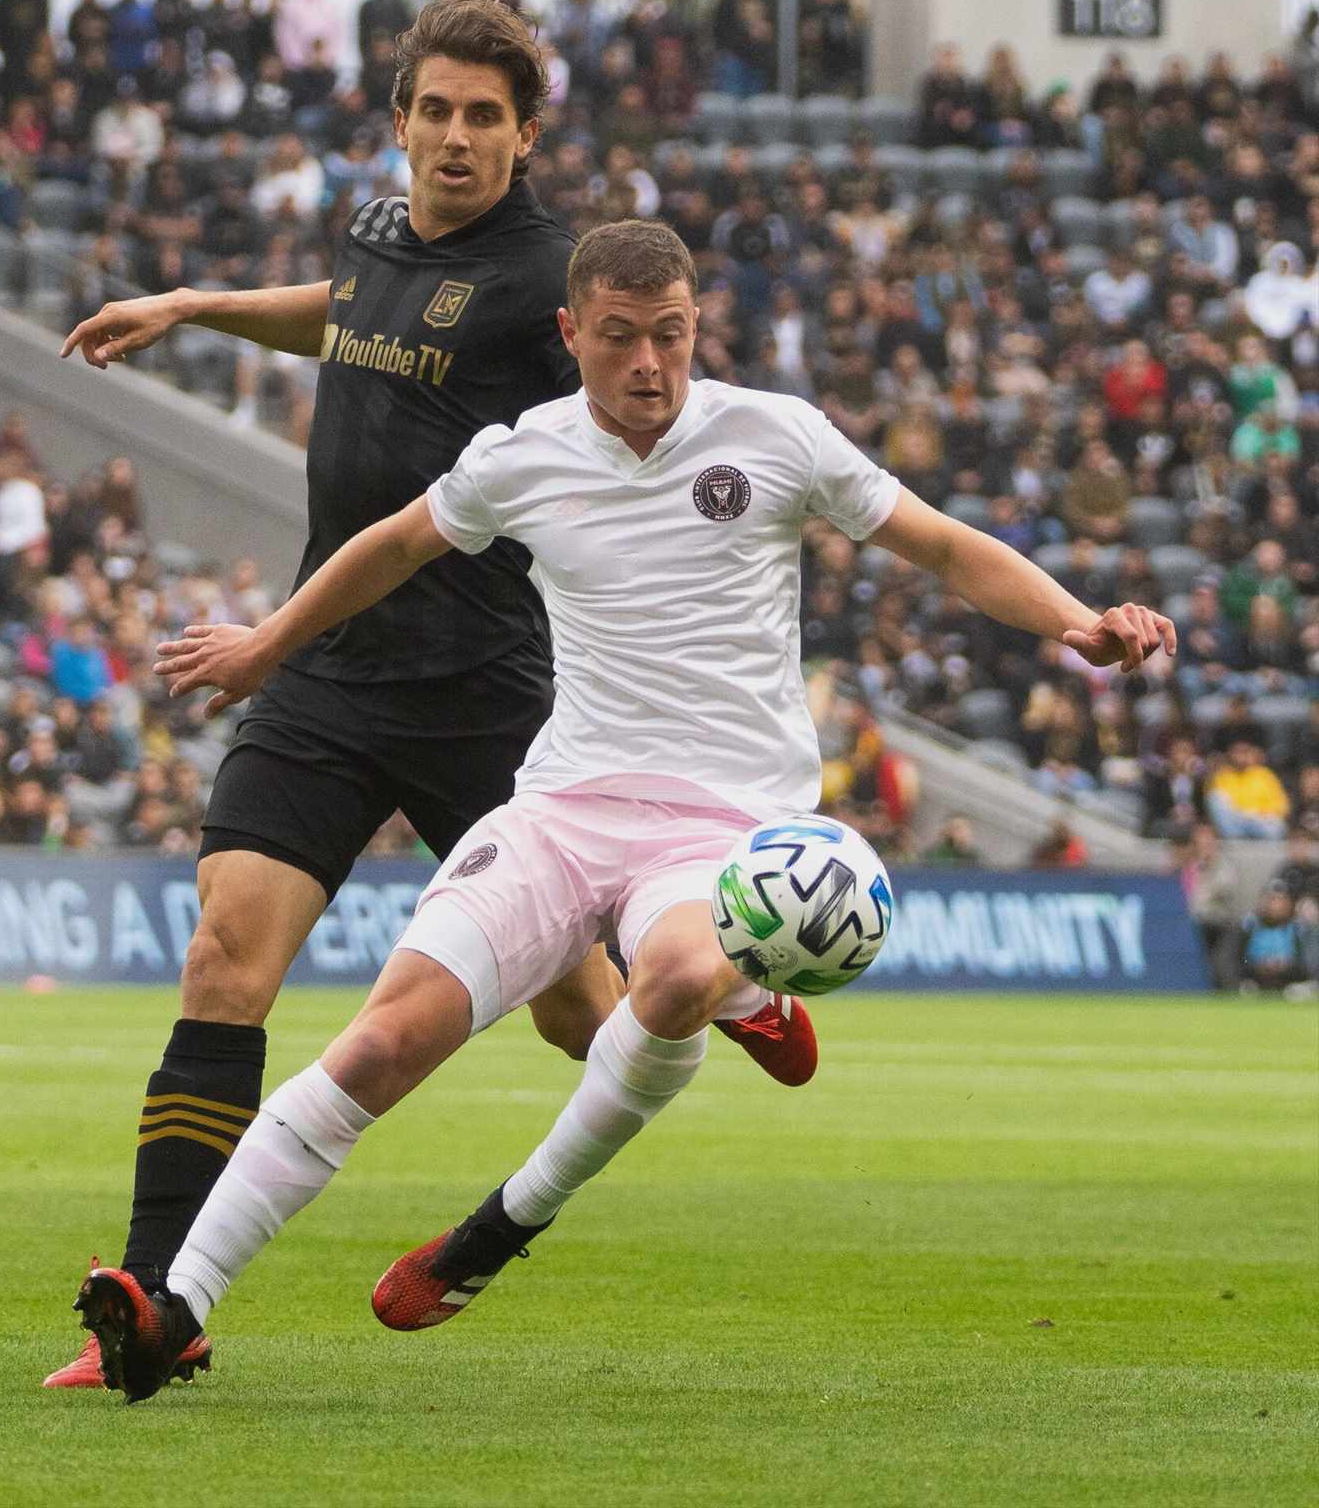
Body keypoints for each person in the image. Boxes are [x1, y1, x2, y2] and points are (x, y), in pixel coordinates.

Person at [74, 220, 1176, 1402]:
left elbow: (944, 547)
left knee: (672, 984)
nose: (648, 364)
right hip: (562, 803)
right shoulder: (522, 455)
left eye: (670, 336)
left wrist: (1073, 620)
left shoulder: (773, 434)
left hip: (723, 828)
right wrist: (266, 644)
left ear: (697, 327)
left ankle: (498, 1224)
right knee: (386, 1039)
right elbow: (387, 546)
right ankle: (173, 1304)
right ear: (572, 334)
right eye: (618, 340)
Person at [48, 1, 808, 1392]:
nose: (456, 138)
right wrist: (195, 307)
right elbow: (350, 325)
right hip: (334, 676)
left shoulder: (549, 279)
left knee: (588, 1016)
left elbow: (656, 390)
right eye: (436, 111)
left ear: (528, 137)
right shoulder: (377, 237)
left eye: (485, 119)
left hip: (491, 689)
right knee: (225, 955)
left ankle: (731, 981)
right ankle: (158, 1306)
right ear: (399, 117)